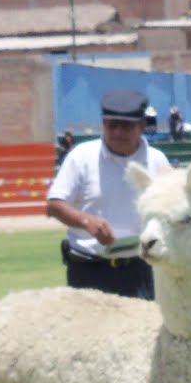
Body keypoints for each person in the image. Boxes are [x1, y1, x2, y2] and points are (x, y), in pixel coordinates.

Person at [45, 87, 173, 299]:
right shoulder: (81, 157)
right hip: (89, 271)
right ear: (103, 123)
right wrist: (86, 221)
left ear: (142, 126)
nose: (117, 133)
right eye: (111, 125)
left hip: (140, 271)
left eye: (126, 126)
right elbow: (54, 205)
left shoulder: (157, 161)